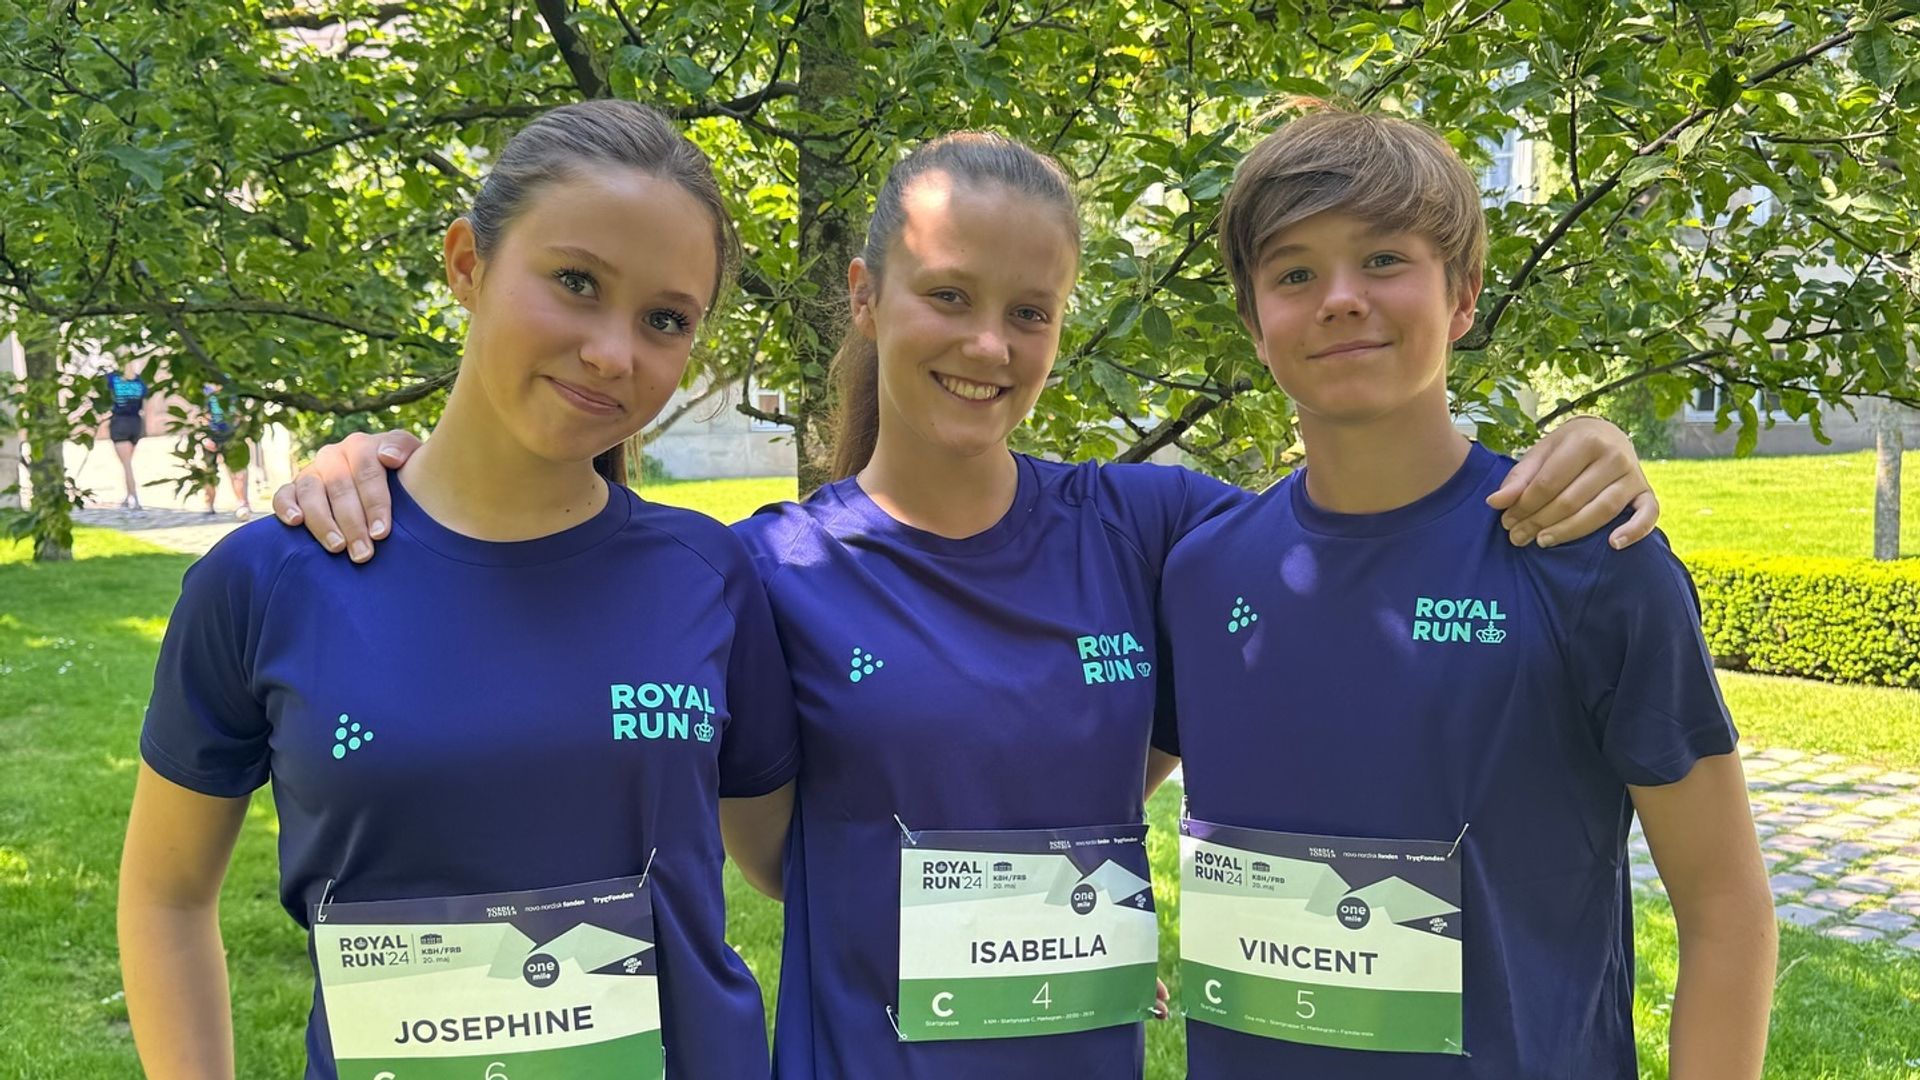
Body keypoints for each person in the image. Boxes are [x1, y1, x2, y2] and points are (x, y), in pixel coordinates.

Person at [273, 135, 1664, 1078]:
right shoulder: (761, 569)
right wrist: (376, 464)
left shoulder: (1152, 527)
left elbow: (1365, 533)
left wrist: (1568, 453)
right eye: (948, 295)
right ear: (871, 298)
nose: (989, 345)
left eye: (1031, 310)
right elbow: (771, 848)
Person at [118, 100, 797, 1080]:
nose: (614, 351)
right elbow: (167, 896)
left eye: (665, 319)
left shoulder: (710, 576)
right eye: (575, 282)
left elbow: (792, 858)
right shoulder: (269, 580)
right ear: (467, 264)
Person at [1158, 105, 1775, 1079]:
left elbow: (1726, 908)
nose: (1341, 298)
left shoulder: (1589, 562)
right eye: (1294, 273)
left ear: (1464, 296)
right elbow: (1081, 792)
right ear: (1253, 322)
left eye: (1385, 260)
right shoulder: (1201, 573)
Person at [199, 381, 253, 520]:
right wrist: (204, 437)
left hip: (231, 436)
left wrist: (238, 432)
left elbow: (239, 413)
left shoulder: (231, 387)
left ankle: (242, 504)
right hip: (211, 435)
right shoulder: (205, 389)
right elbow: (200, 414)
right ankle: (209, 505)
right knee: (209, 471)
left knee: (238, 472)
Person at [105, 365, 149, 510]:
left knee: (127, 465)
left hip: (120, 423)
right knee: (127, 463)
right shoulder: (139, 381)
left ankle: (135, 498)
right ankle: (128, 495)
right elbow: (144, 403)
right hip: (136, 423)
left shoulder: (112, 378)